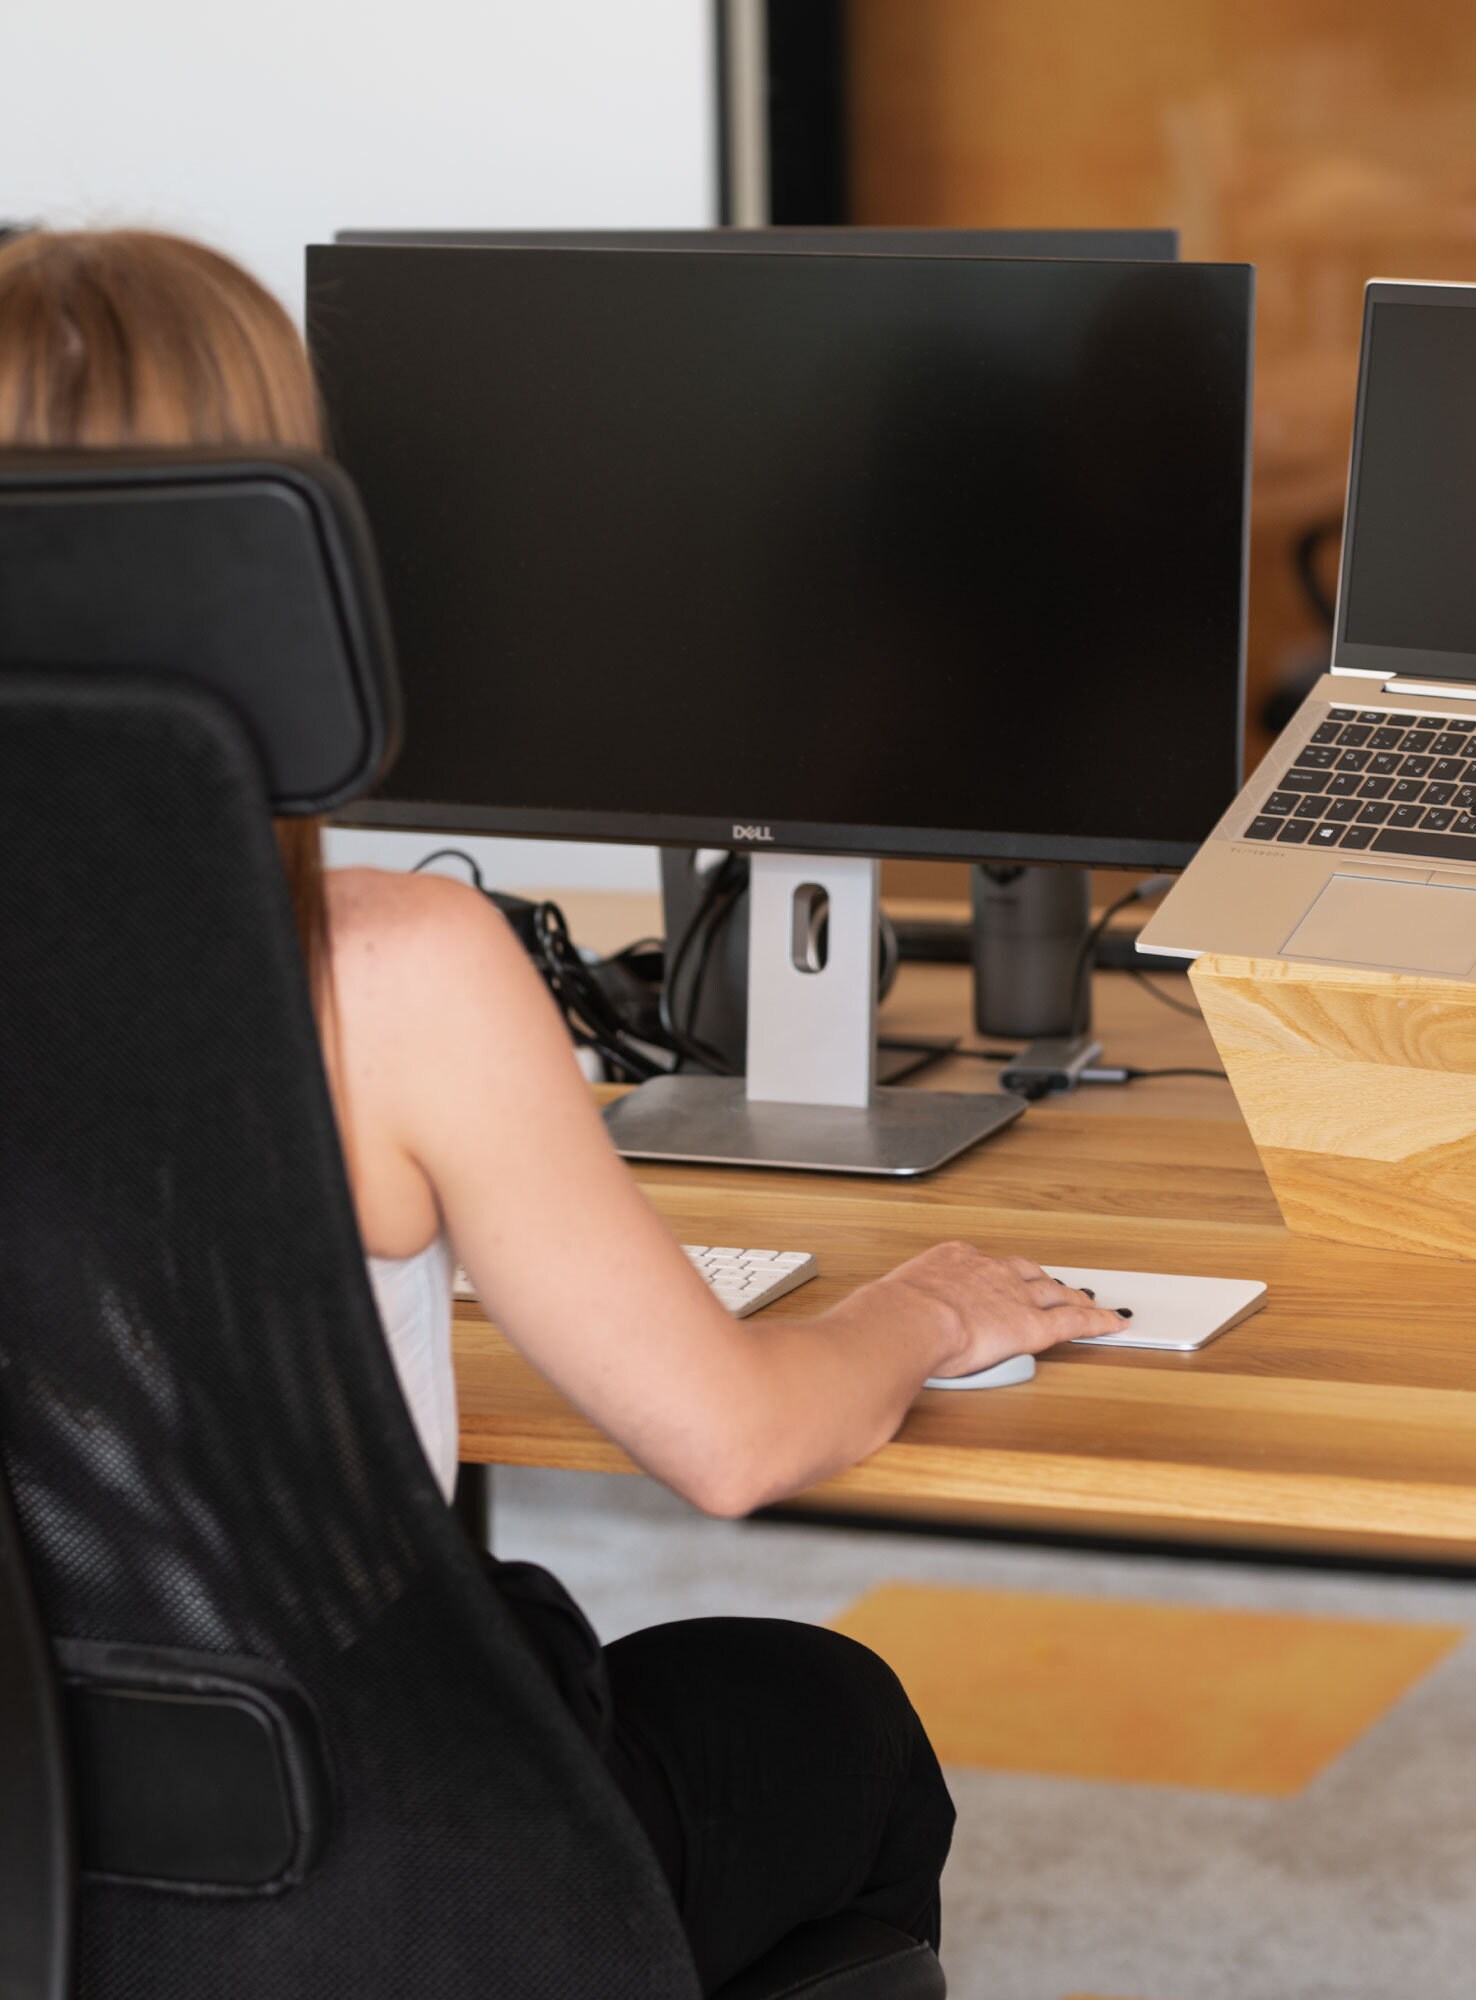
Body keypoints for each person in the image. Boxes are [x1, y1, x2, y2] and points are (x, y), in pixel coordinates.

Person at [0, 226, 1123, 1992]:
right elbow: (732, 1445)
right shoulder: (387, 972)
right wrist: (921, 1309)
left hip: (43, 1878)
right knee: (826, 1713)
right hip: (386, 1896)